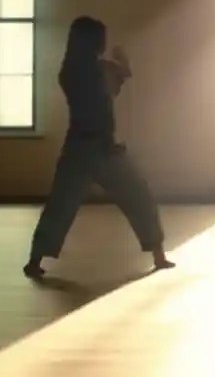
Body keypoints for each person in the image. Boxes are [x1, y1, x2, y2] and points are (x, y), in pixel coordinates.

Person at [24, 16, 174, 278]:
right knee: (135, 197)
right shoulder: (82, 72)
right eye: (100, 38)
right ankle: (158, 255)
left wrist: (121, 66)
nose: (104, 42)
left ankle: (35, 261)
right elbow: (102, 99)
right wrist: (121, 65)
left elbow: (115, 85)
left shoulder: (79, 70)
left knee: (64, 205)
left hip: (85, 147)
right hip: (94, 146)